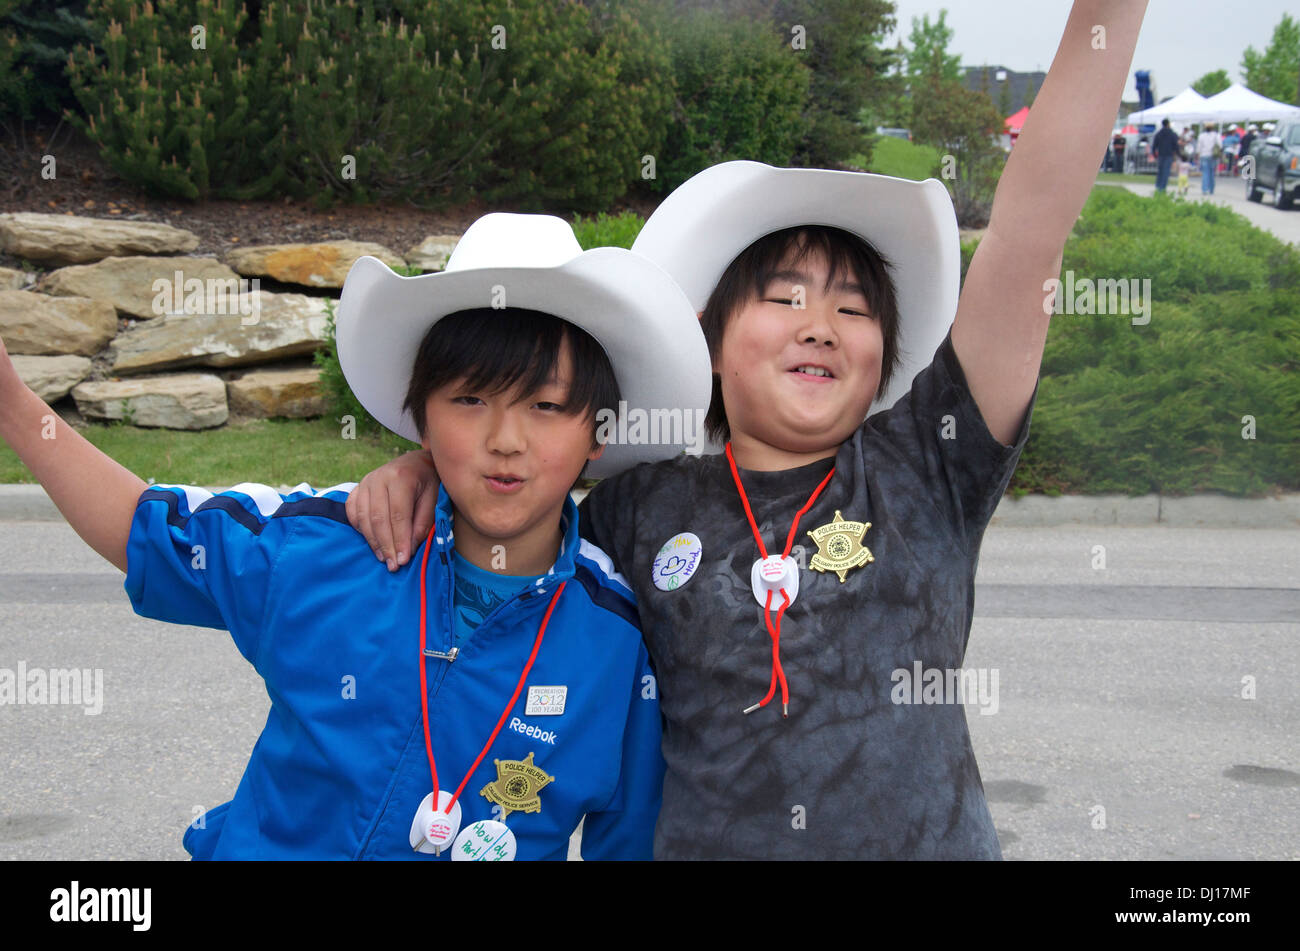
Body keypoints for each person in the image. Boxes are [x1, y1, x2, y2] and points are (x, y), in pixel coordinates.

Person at [347, 0, 1150, 859]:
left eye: (852, 308)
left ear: (885, 357)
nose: (821, 324)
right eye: (784, 298)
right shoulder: (634, 502)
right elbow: (516, 467)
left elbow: (1032, 228)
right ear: (711, 342)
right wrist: (422, 467)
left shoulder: (930, 462)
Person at [0, 212, 712, 860]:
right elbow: (141, 529)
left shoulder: (619, 639)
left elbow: (631, 841)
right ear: (421, 420)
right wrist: (12, 401)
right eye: (469, 399)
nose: (506, 441)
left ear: (599, 432)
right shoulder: (329, 548)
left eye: (548, 405)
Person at [1153, 118, 1180, 192]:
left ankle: (1158, 185)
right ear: (1168, 124)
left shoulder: (1159, 133)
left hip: (1160, 154)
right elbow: (1175, 145)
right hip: (1168, 154)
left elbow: (1154, 145)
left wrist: (1154, 155)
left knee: (1160, 171)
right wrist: (1178, 154)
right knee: (1166, 171)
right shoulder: (1172, 134)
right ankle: (1163, 187)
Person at [1196, 122, 1223, 194]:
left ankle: (1204, 189)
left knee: (1205, 172)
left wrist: (1198, 155)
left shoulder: (1201, 136)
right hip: (1213, 155)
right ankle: (1211, 189)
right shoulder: (1216, 135)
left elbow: (1199, 147)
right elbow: (1220, 145)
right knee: (1212, 173)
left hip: (1204, 155)